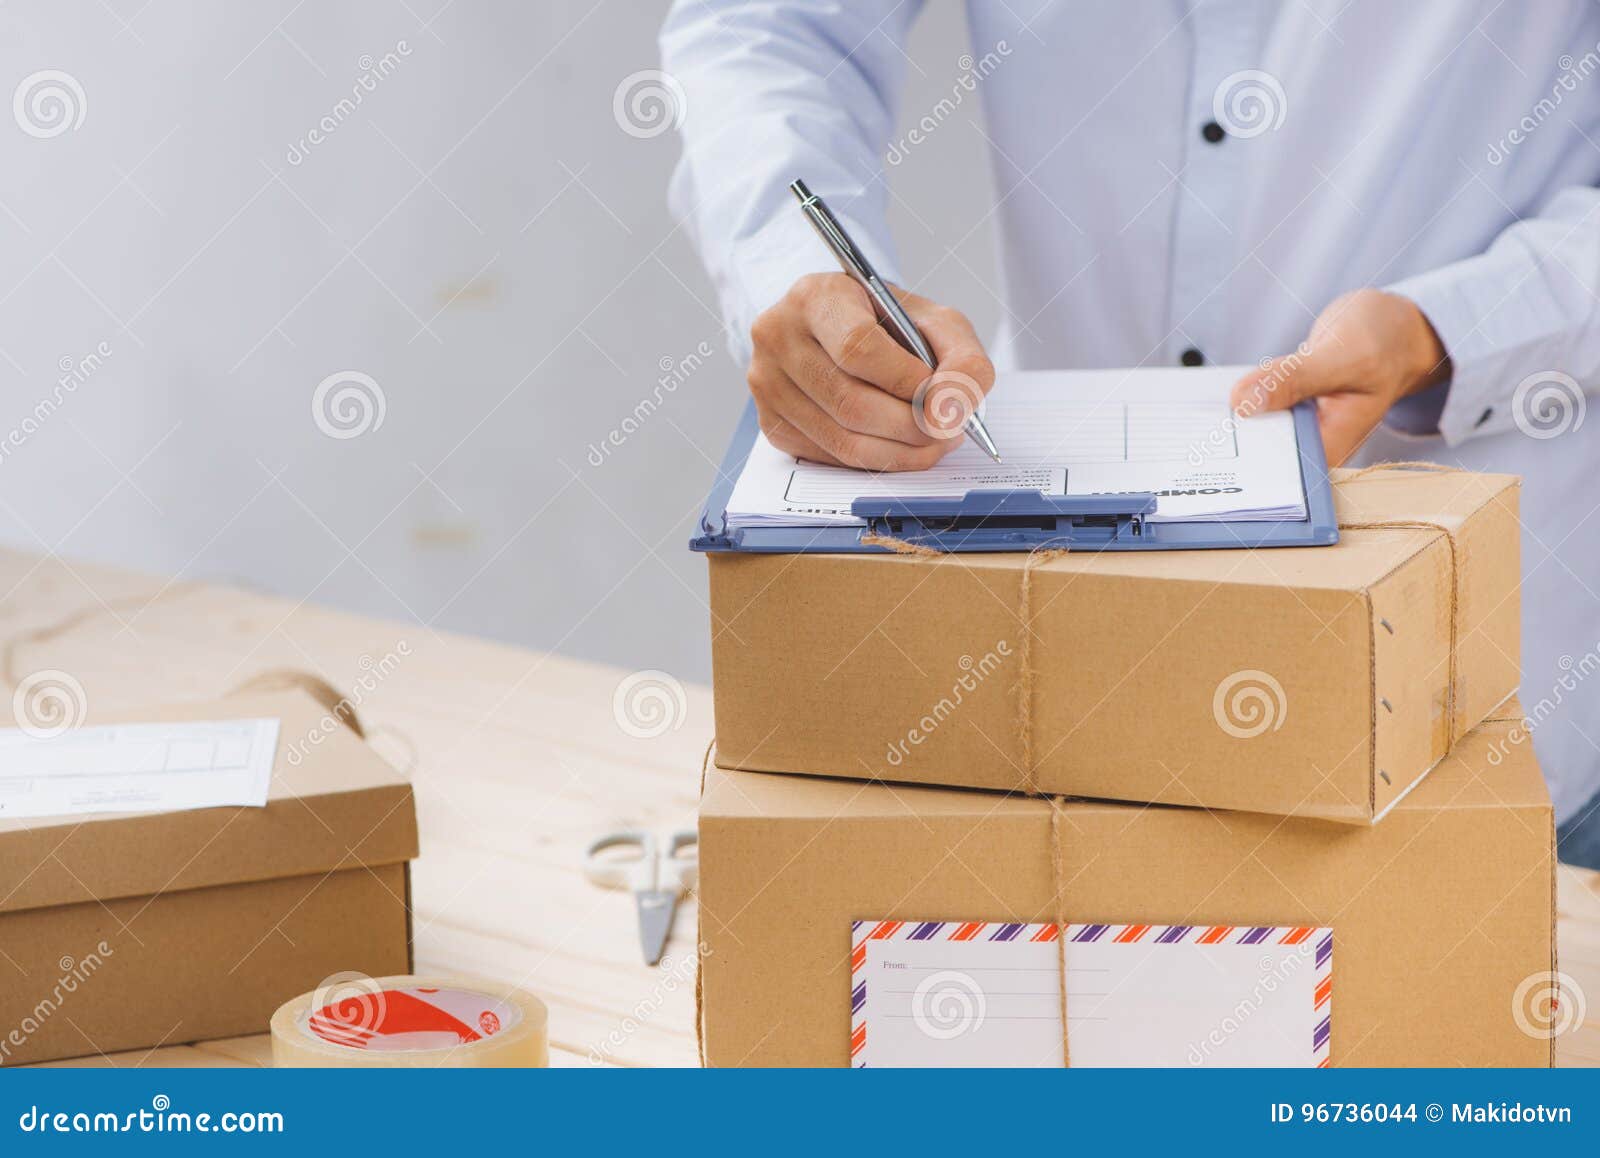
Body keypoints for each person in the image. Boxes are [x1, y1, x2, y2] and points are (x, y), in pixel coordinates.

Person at [661, 1, 1600, 868]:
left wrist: (1453, 328)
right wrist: (797, 270)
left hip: (1477, 672)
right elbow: (767, 24)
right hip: (1054, 688)